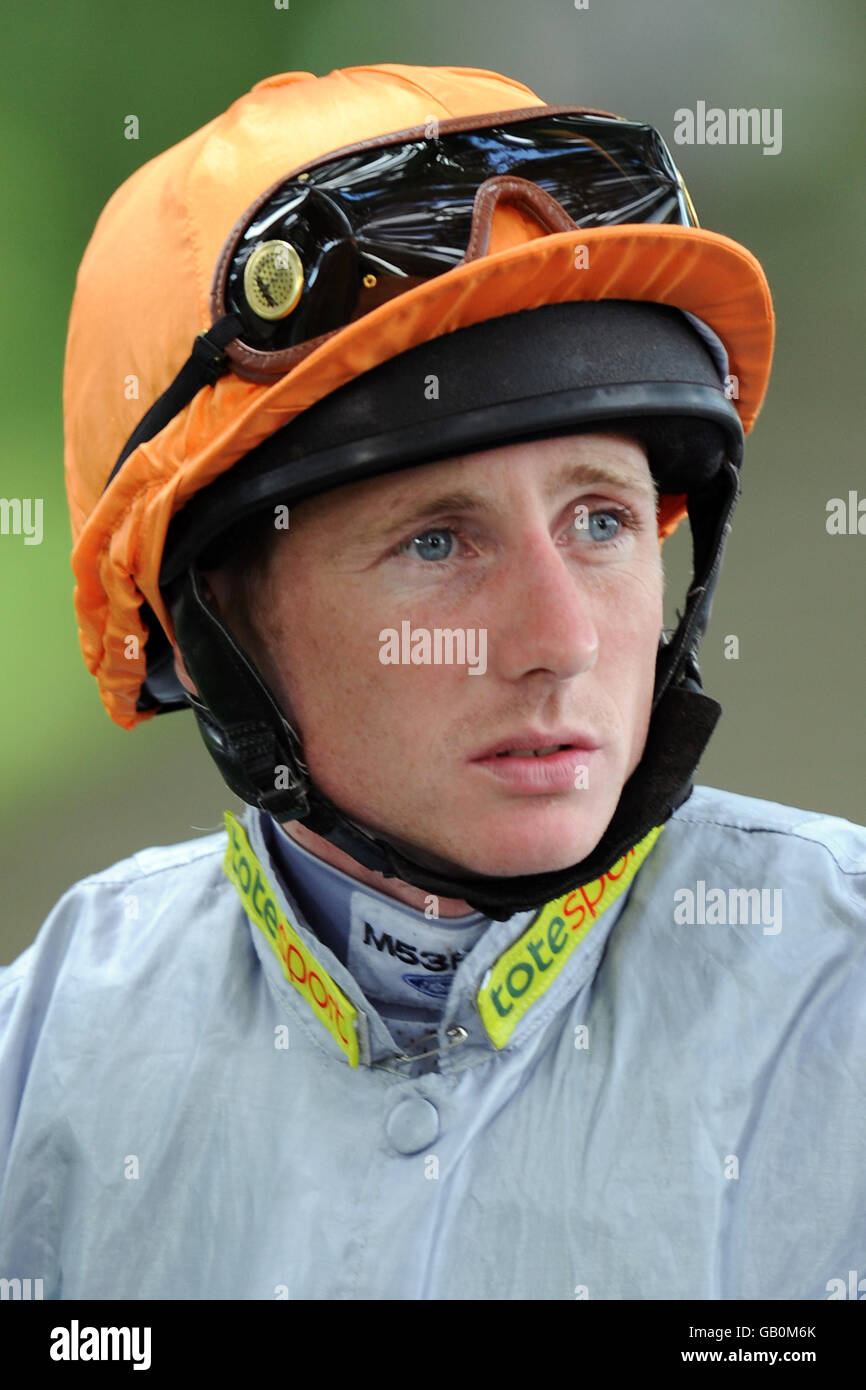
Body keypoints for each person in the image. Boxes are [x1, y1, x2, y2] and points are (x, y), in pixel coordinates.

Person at [1, 62, 863, 1303]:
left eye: (601, 521)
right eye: (436, 543)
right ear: (199, 639)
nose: (559, 640)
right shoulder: (42, 1057)